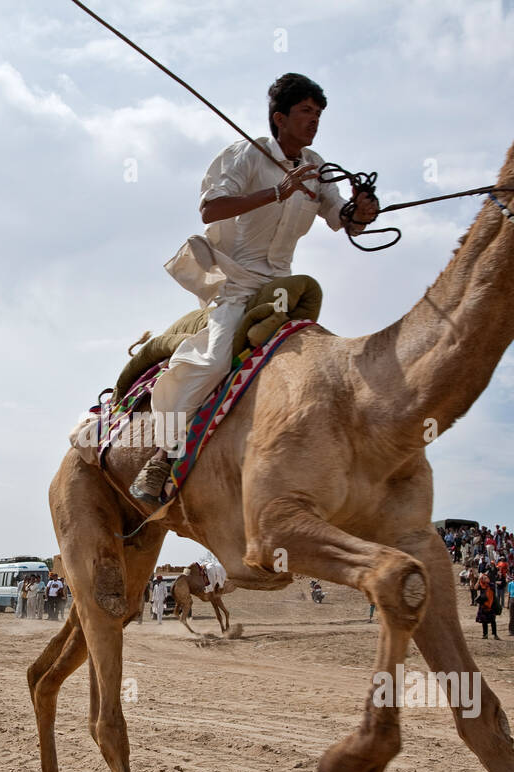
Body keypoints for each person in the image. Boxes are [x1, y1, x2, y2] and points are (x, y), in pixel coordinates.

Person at [128, 73, 378, 503]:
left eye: (318, 113)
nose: (314, 120)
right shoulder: (245, 156)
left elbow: (343, 220)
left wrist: (364, 210)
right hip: (237, 286)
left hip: (283, 287)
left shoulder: (317, 168)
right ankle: (162, 456)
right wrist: (277, 192)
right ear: (279, 118)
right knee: (210, 363)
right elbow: (210, 209)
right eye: (305, 112)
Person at [475, 573, 499, 640]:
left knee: (493, 621)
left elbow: (493, 593)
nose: (486, 579)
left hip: (491, 605)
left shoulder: (491, 585)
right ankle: (485, 634)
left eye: (486, 578)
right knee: (484, 621)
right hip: (483, 605)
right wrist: (478, 580)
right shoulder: (481, 585)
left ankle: (495, 635)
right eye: (484, 578)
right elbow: (475, 587)